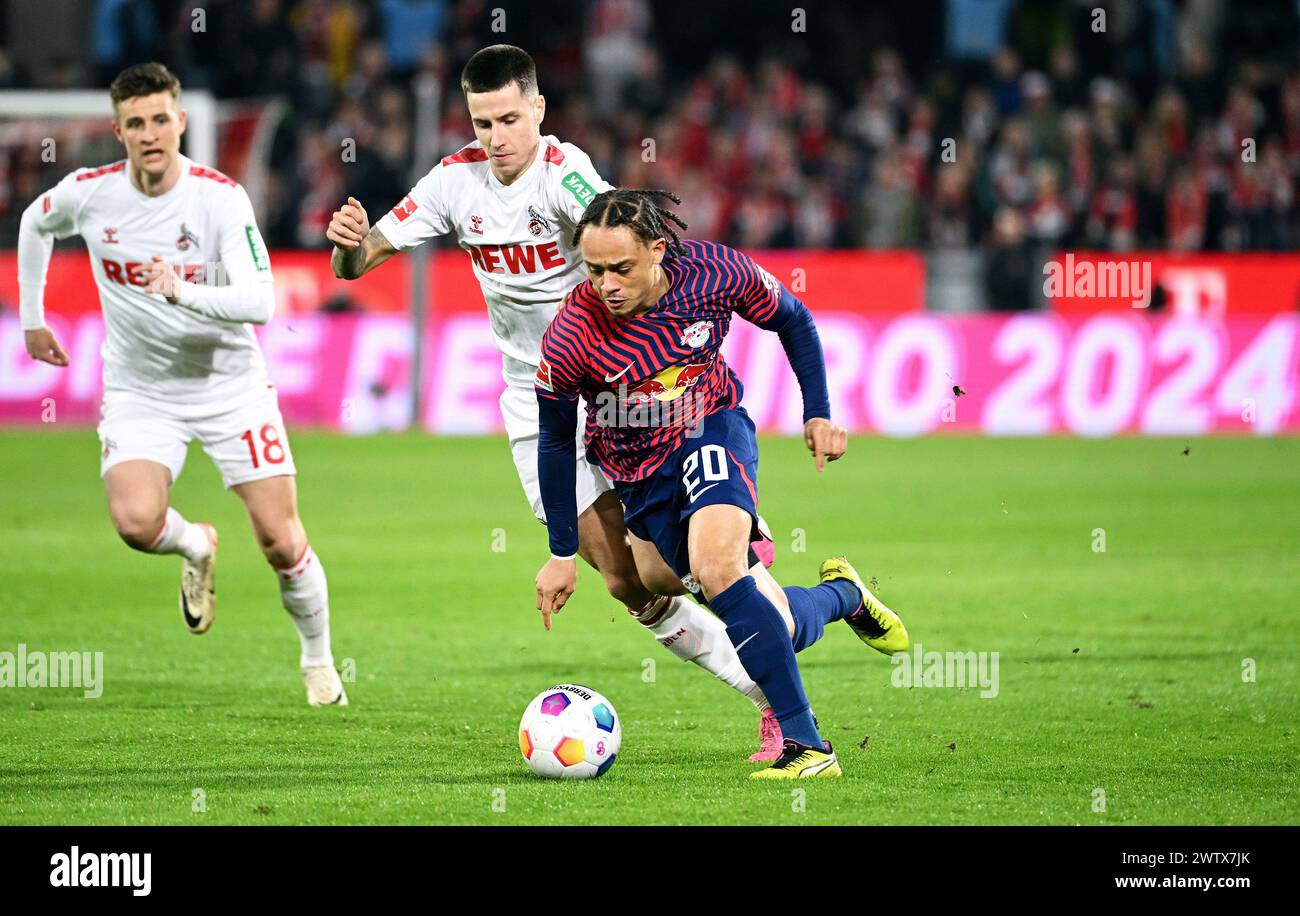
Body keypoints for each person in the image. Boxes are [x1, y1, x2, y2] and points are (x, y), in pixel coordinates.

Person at [326, 44, 785, 758]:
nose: (497, 137)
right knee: (624, 583)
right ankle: (762, 691)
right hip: (534, 403)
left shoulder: (564, 177)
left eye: (510, 118)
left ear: (539, 109)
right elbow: (361, 262)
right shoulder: (454, 182)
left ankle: (764, 640)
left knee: (680, 561)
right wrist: (346, 247)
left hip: (612, 394)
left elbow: (628, 239)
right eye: (482, 123)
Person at [534, 188, 911, 777]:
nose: (605, 283)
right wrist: (560, 552)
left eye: (621, 268)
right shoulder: (571, 335)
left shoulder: (715, 272)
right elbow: (555, 443)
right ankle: (844, 596)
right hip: (638, 470)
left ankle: (807, 746)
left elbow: (793, 319)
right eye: (594, 268)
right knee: (717, 598)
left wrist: (817, 410)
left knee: (717, 568)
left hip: (711, 428)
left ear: (658, 250)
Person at [18, 62, 346, 706]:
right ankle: (196, 544)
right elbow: (34, 221)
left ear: (181, 121)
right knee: (137, 524)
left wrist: (184, 290)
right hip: (141, 391)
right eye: (135, 123)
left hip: (230, 388)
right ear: (118, 130)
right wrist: (32, 319)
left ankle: (318, 660)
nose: (150, 133)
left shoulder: (218, 197)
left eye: (161, 119)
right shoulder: (90, 193)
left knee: (281, 539)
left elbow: (260, 301)